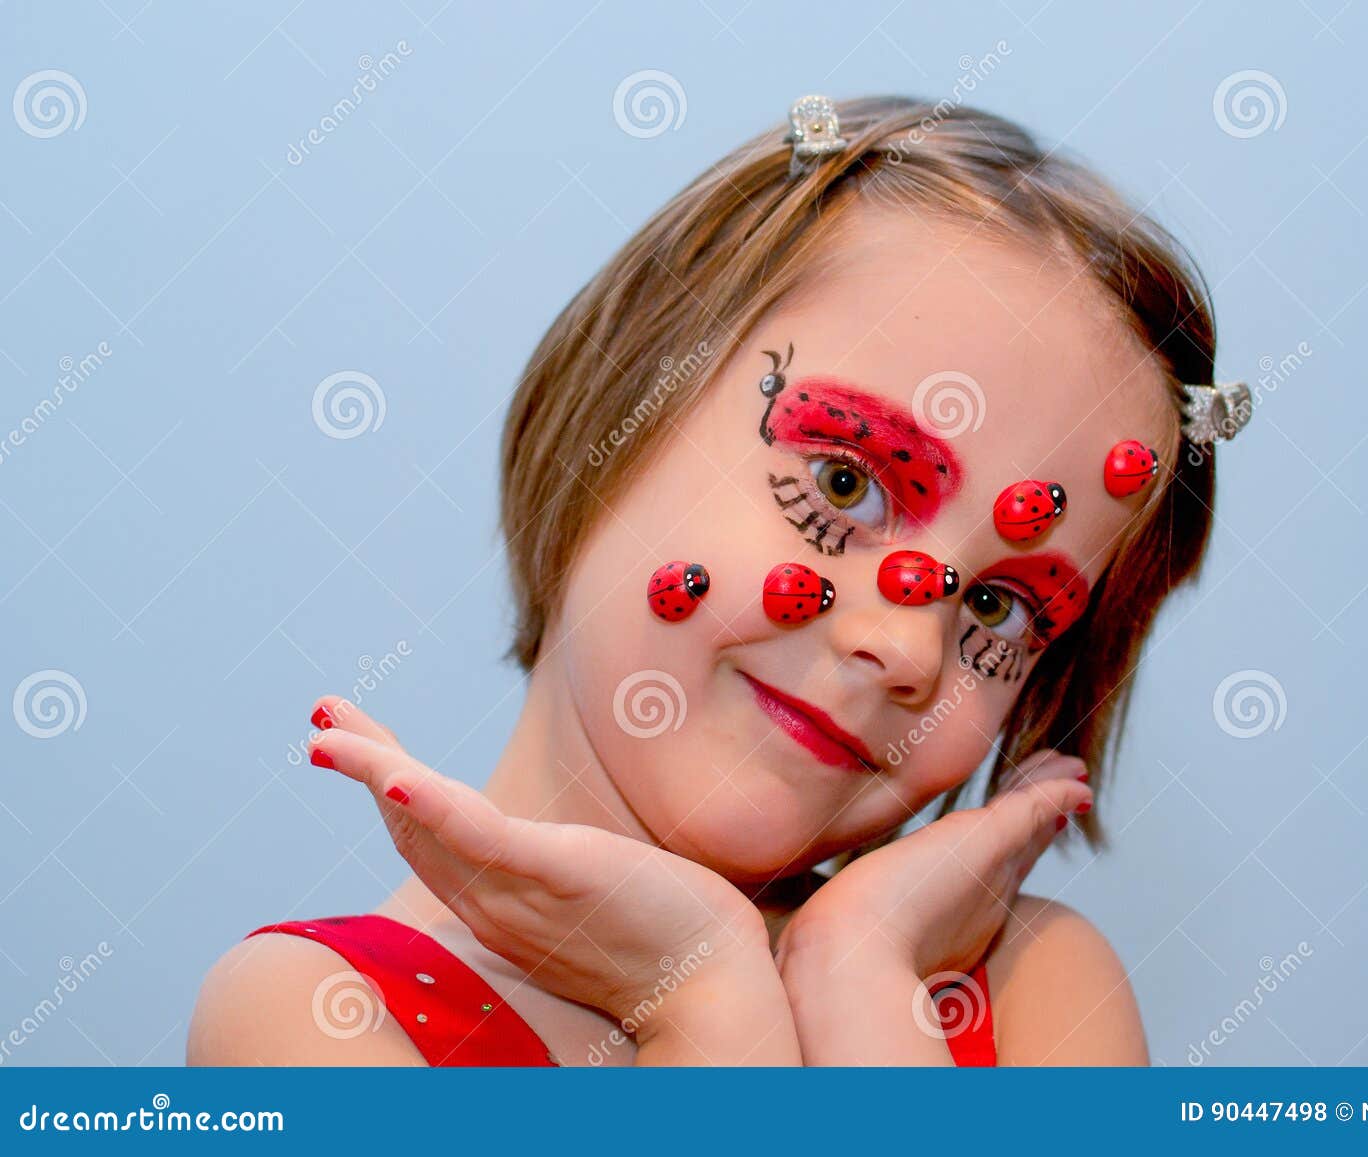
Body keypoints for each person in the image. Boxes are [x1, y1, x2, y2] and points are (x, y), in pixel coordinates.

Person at [188, 93, 1247, 1066]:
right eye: (845, 481)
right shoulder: (313, 1017)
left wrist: (859, 976)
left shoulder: (1029, 991)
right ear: (621, 414)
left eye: (997, 606)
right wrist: (707, 999)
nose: (911, 647)